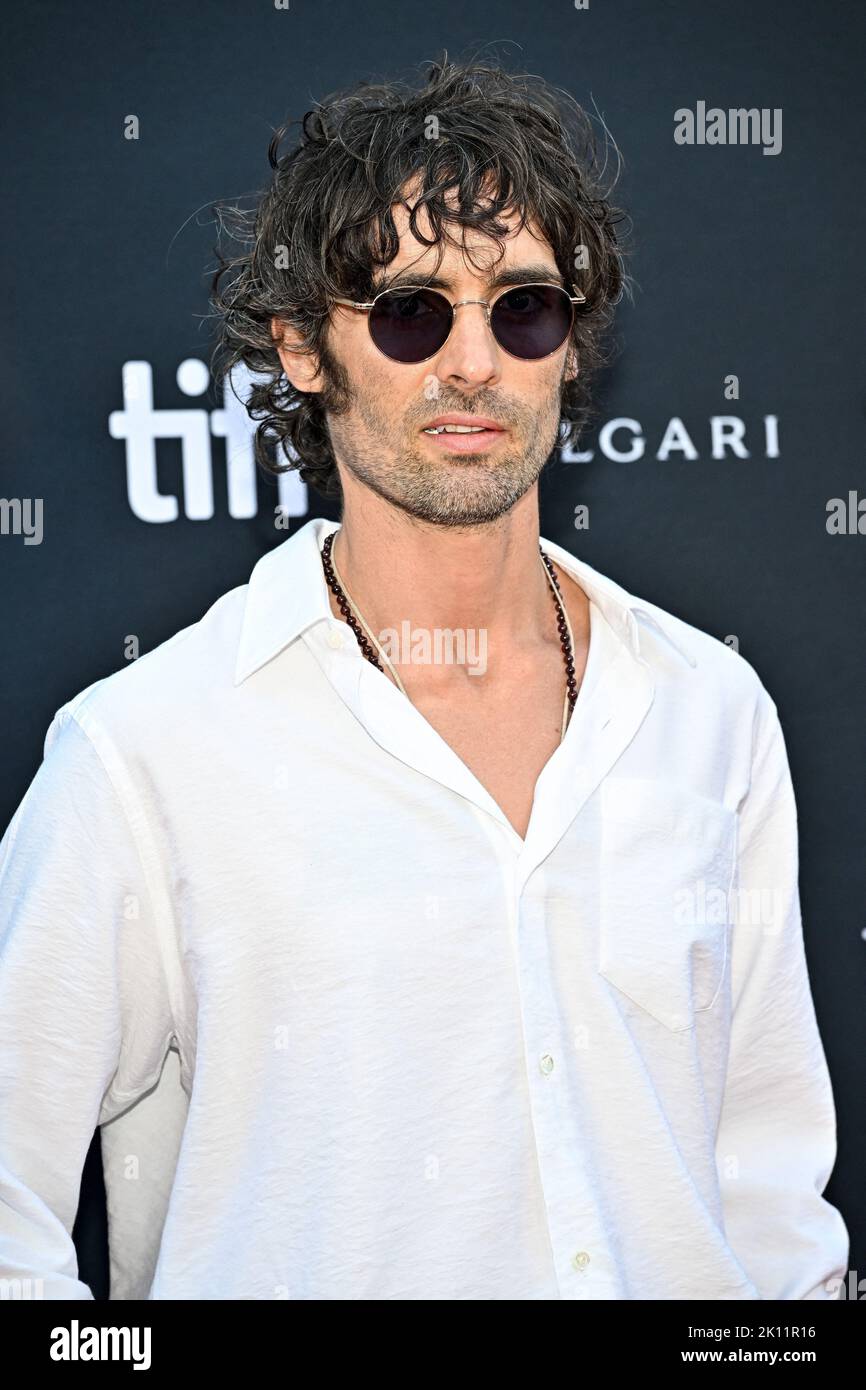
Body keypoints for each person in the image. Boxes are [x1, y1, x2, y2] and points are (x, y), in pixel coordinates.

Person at [0, 56, 849, 1301]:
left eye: (522, 309)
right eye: (409, 310)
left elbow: (771, 1200)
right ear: (301, 348)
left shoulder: (705, 715)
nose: (472, 362)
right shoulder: (146, 753)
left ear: (569, 347)